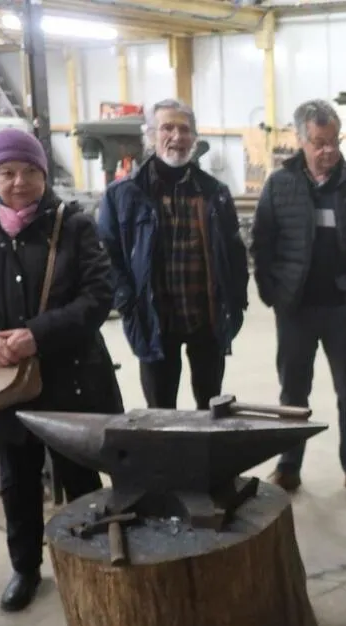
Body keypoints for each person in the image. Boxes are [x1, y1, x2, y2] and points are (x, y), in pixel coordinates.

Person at [0, 128, 124, 611]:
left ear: (43, 174)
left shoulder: (72, 225)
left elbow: (99, 296)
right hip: (6, 385)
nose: (19, 182)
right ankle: (26, 568)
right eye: (7, 172)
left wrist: (38, 334)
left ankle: (90, 563)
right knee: (18, 478)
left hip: (71, 377)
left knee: (80, 475)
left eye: (29, 171)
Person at [251, 99, 346, 502]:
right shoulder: (280, 185)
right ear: (300, 140)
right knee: (292, 394)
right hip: (295, 309)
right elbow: (262, 242)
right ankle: (288, 467)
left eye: (333, 141)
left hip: (344, 311)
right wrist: (273, 293)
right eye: (318, 143)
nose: (327, 150)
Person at [97, 98, 249, 410]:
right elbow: (107, 258)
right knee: (160, 411)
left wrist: (237, 301)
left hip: (205, 319)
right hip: (154, 320)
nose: (176, 137)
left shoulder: (214, 193)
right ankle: (167, 462)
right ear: (150, 135)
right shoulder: (123, 195)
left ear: (194, 138)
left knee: (210, 407)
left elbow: (234, 253)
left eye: (184, 129)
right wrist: (127, 303)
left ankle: (204, 460)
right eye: (167, 128)